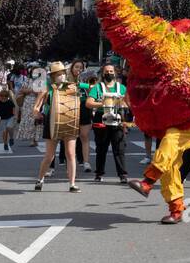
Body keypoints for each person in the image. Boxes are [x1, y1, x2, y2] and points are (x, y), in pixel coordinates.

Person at [34, 61, 79, 191]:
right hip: (51, 121)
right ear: (53, 76)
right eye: (58, 74)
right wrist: (37, 112)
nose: (62, 77)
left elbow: (76, 103)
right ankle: (40, 179)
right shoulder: (47, 88)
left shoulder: (71, 87)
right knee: (49, 156)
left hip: (69, 120)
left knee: (70, 153)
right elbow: (36, 106)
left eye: (63, 74)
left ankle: (72, 184)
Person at [87, 63, 128, 182]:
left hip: (117, 117)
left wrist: (122, 105)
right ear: (102, 73)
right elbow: (88, 103)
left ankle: (123, 175)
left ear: (115, 73)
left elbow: (127, 103)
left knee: (119, 148)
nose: (109, 73)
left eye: (111, 71)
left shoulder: (122, 88)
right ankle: (99, 174)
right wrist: (103, 104)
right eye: (106, 71)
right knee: (101, 147)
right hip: (101, 117)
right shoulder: (97, 87)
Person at [16, 68, 43, 148]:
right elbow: (22, 90)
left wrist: (31, 90)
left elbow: (41, 92)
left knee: (36, 121)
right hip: (27, 102)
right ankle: (31, 138)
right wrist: (32, 90)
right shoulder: (28, 80)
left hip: (37, 102)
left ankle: (35, 139)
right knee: (28, 120)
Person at [0, 87, 17, 151]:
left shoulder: (10, 102)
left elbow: (14, 109)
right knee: (4, 132)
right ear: (0, 96)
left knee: (9, 127)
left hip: (10, 117)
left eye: (5, 96)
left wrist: (15, 116)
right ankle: (5, 144)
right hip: (3, 119)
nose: (3, 97)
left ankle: (11, 138)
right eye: (2, 96)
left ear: (7, 96)